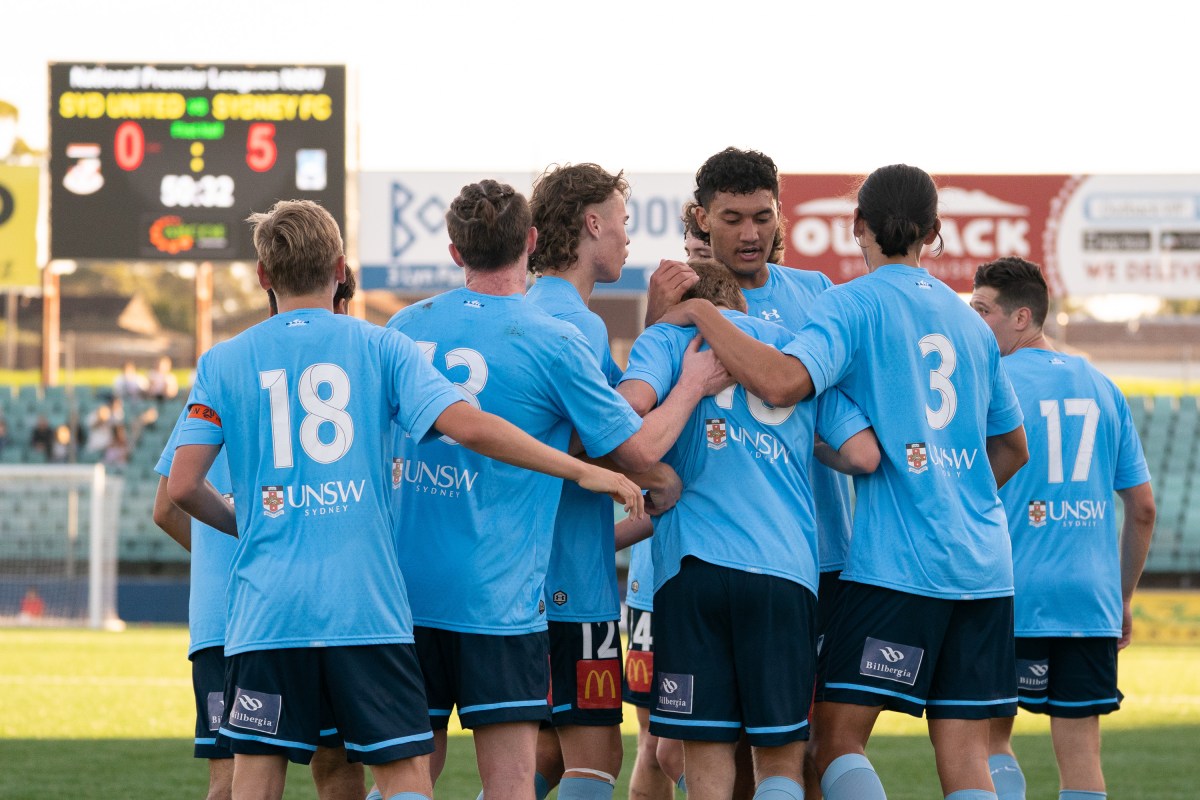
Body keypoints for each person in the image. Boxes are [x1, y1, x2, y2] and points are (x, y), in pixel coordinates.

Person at [167, 199, 643, 800]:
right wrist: (580, 470)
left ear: (263, 275)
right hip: (365, 609)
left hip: (266, 612)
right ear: (340, 269)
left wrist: (250, 526)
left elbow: (181, 487)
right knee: (406, 777)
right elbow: (471, 427)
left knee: (255, 781)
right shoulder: (381, 346)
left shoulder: (222, 361)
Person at [658, 164, 1030, 800]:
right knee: (967, 754)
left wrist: (700, 312)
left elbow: (781, 383)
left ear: (858, 225)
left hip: (901, 562)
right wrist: (954, 496)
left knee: (832, 740)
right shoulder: (971, 322)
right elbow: (1013, 447)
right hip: (986, 566)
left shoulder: (851, 302)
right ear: (933, 232)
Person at [385, 179, 722, 800]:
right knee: (581, 760)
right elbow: (628, 444)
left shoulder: (405, 325)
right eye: (622, 219)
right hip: (530, 589)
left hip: (409, 588)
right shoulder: (564, 332)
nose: (627, 234)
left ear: (456, 251)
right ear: (534, 238)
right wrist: (689, 390)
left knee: (412, 770)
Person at [620, 257, 879, 800]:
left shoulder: (666, 338)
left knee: (703, 759)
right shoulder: (791, 352)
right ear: (739, 304)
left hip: (691, 572)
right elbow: (862, 455)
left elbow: (623, 419)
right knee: (780, 758)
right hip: (783, 573)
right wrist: (796, 443)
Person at [153, 265, 368, 800]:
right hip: (319, 608)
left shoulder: (224, 369)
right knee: (337, 767)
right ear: (339, 299)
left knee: (232, 779)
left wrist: (236, 548)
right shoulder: (349, 379)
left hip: (225, 618)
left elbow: (167, 507)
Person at [971, 257, 1156, 800]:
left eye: (982, 311)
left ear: (1021, 317)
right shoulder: (1103, 386)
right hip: (1089, 601)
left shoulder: (991, 382)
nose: (973, 323)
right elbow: (1142, 509)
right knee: (1081, 758)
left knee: (990, 742)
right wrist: (1122, 598)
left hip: (1009, 591)